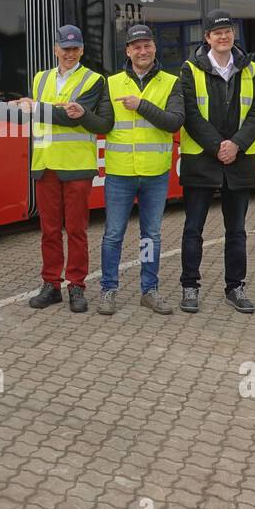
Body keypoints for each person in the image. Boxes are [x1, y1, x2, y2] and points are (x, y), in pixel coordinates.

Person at [0, 24, 109, 313]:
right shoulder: (40, 79)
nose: (69, 53)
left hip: (76, 166)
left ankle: (76, 286)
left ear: (82, 50)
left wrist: (36, 107)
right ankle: (51, 285)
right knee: (48, 231)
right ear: (55, 50)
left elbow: (72, 118)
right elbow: (28, 115)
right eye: (65, 48)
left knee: (76, 231)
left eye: (74, 48)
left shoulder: (93, 80)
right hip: (44, 165)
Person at [177, 13, 255, 314]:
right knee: (193, 230)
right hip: (201, 162)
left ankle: (236, 287)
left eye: (227, 31)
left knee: (237, 231)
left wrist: (237, 145)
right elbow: (189, 113)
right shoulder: (189, 69)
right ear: (207, 38)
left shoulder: (250, 69)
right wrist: (218, 147)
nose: (223, 37)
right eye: (217, 32)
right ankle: (190, 286)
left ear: (233, 35)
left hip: (238, 162)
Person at [97, 24, 184, 316]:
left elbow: (174, 122)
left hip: (155, 173)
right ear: (128, 51)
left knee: (151, 236)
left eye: (147, 45)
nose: (142, 51)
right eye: (136, 46)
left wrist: (141, 105)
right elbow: (104, 124)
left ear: (155, 48)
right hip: (120, 173)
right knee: (113, 235)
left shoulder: (171, 82)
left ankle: (149, 290)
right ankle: (108, 289)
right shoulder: (111, 83)